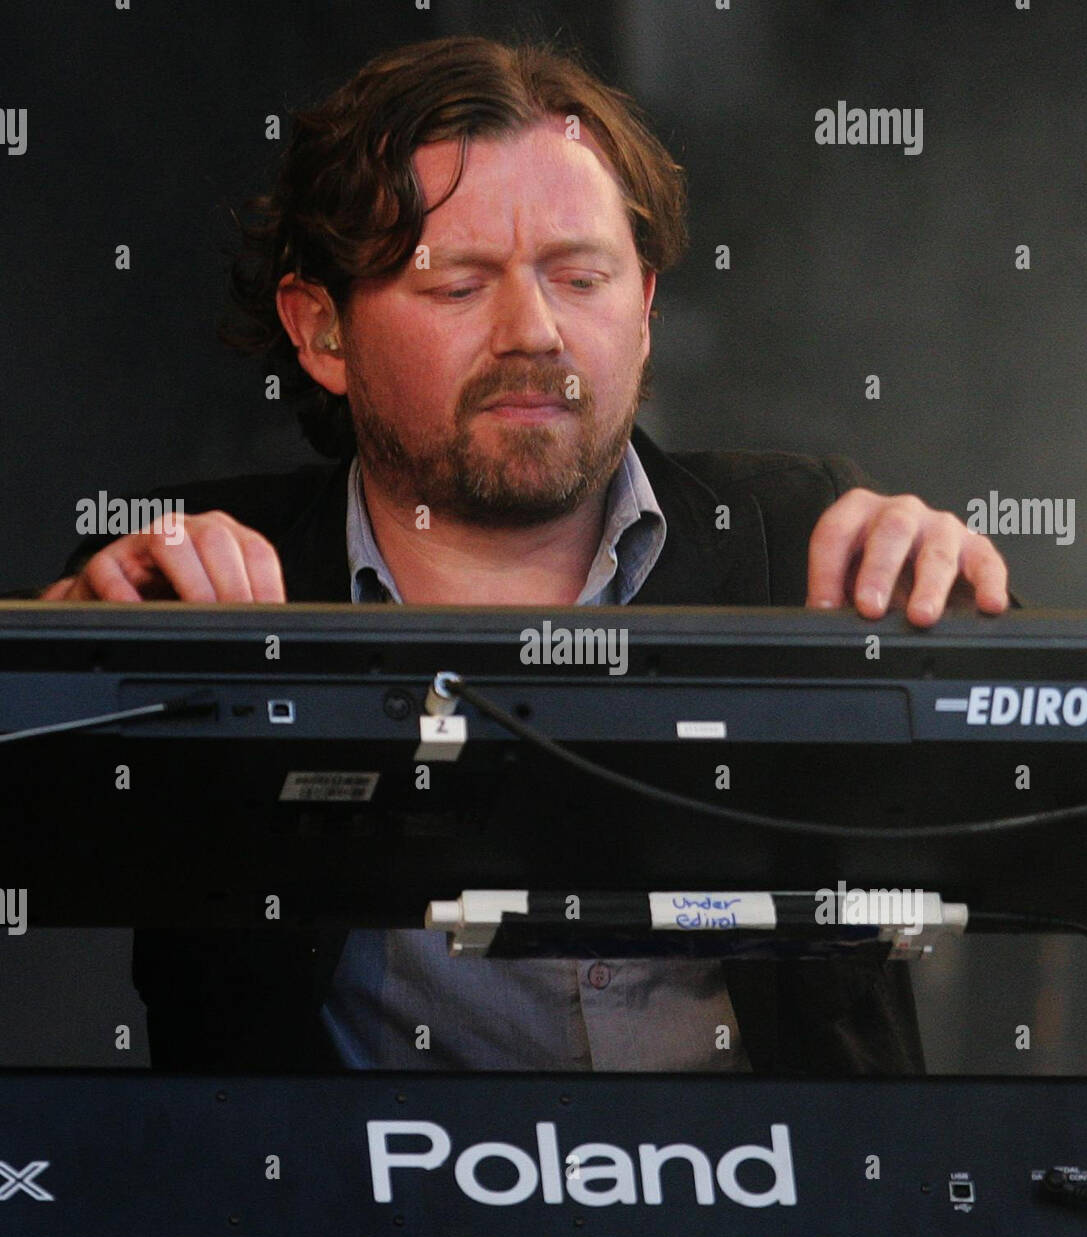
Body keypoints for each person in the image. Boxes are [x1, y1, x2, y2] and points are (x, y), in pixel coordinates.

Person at [38, 36, 1010, 1076]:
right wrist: (78, 641)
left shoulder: (800, 537)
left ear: (641, 309)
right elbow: (48, 796)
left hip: (777, 1228)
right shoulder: (194, 575)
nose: (533, 332)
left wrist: (954, 627)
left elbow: (1033, 809)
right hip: (346, 1230)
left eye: (580, 276)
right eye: (457, 286)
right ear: (320, 332)